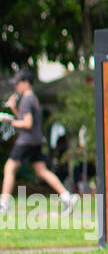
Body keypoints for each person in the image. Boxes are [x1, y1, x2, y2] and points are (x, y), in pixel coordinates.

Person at [0, 69, 76, 217]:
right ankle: (68, 197)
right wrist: (14, 108)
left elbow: (27, 124)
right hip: (35, 140)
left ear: (26, 83)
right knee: (41, 171)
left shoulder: (27, 99)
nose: (16, 87)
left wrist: (9, 121)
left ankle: (3, 203)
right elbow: (27, 120)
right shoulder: (32, 98)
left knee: (9, 168)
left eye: (18, 83)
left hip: (26, 141)